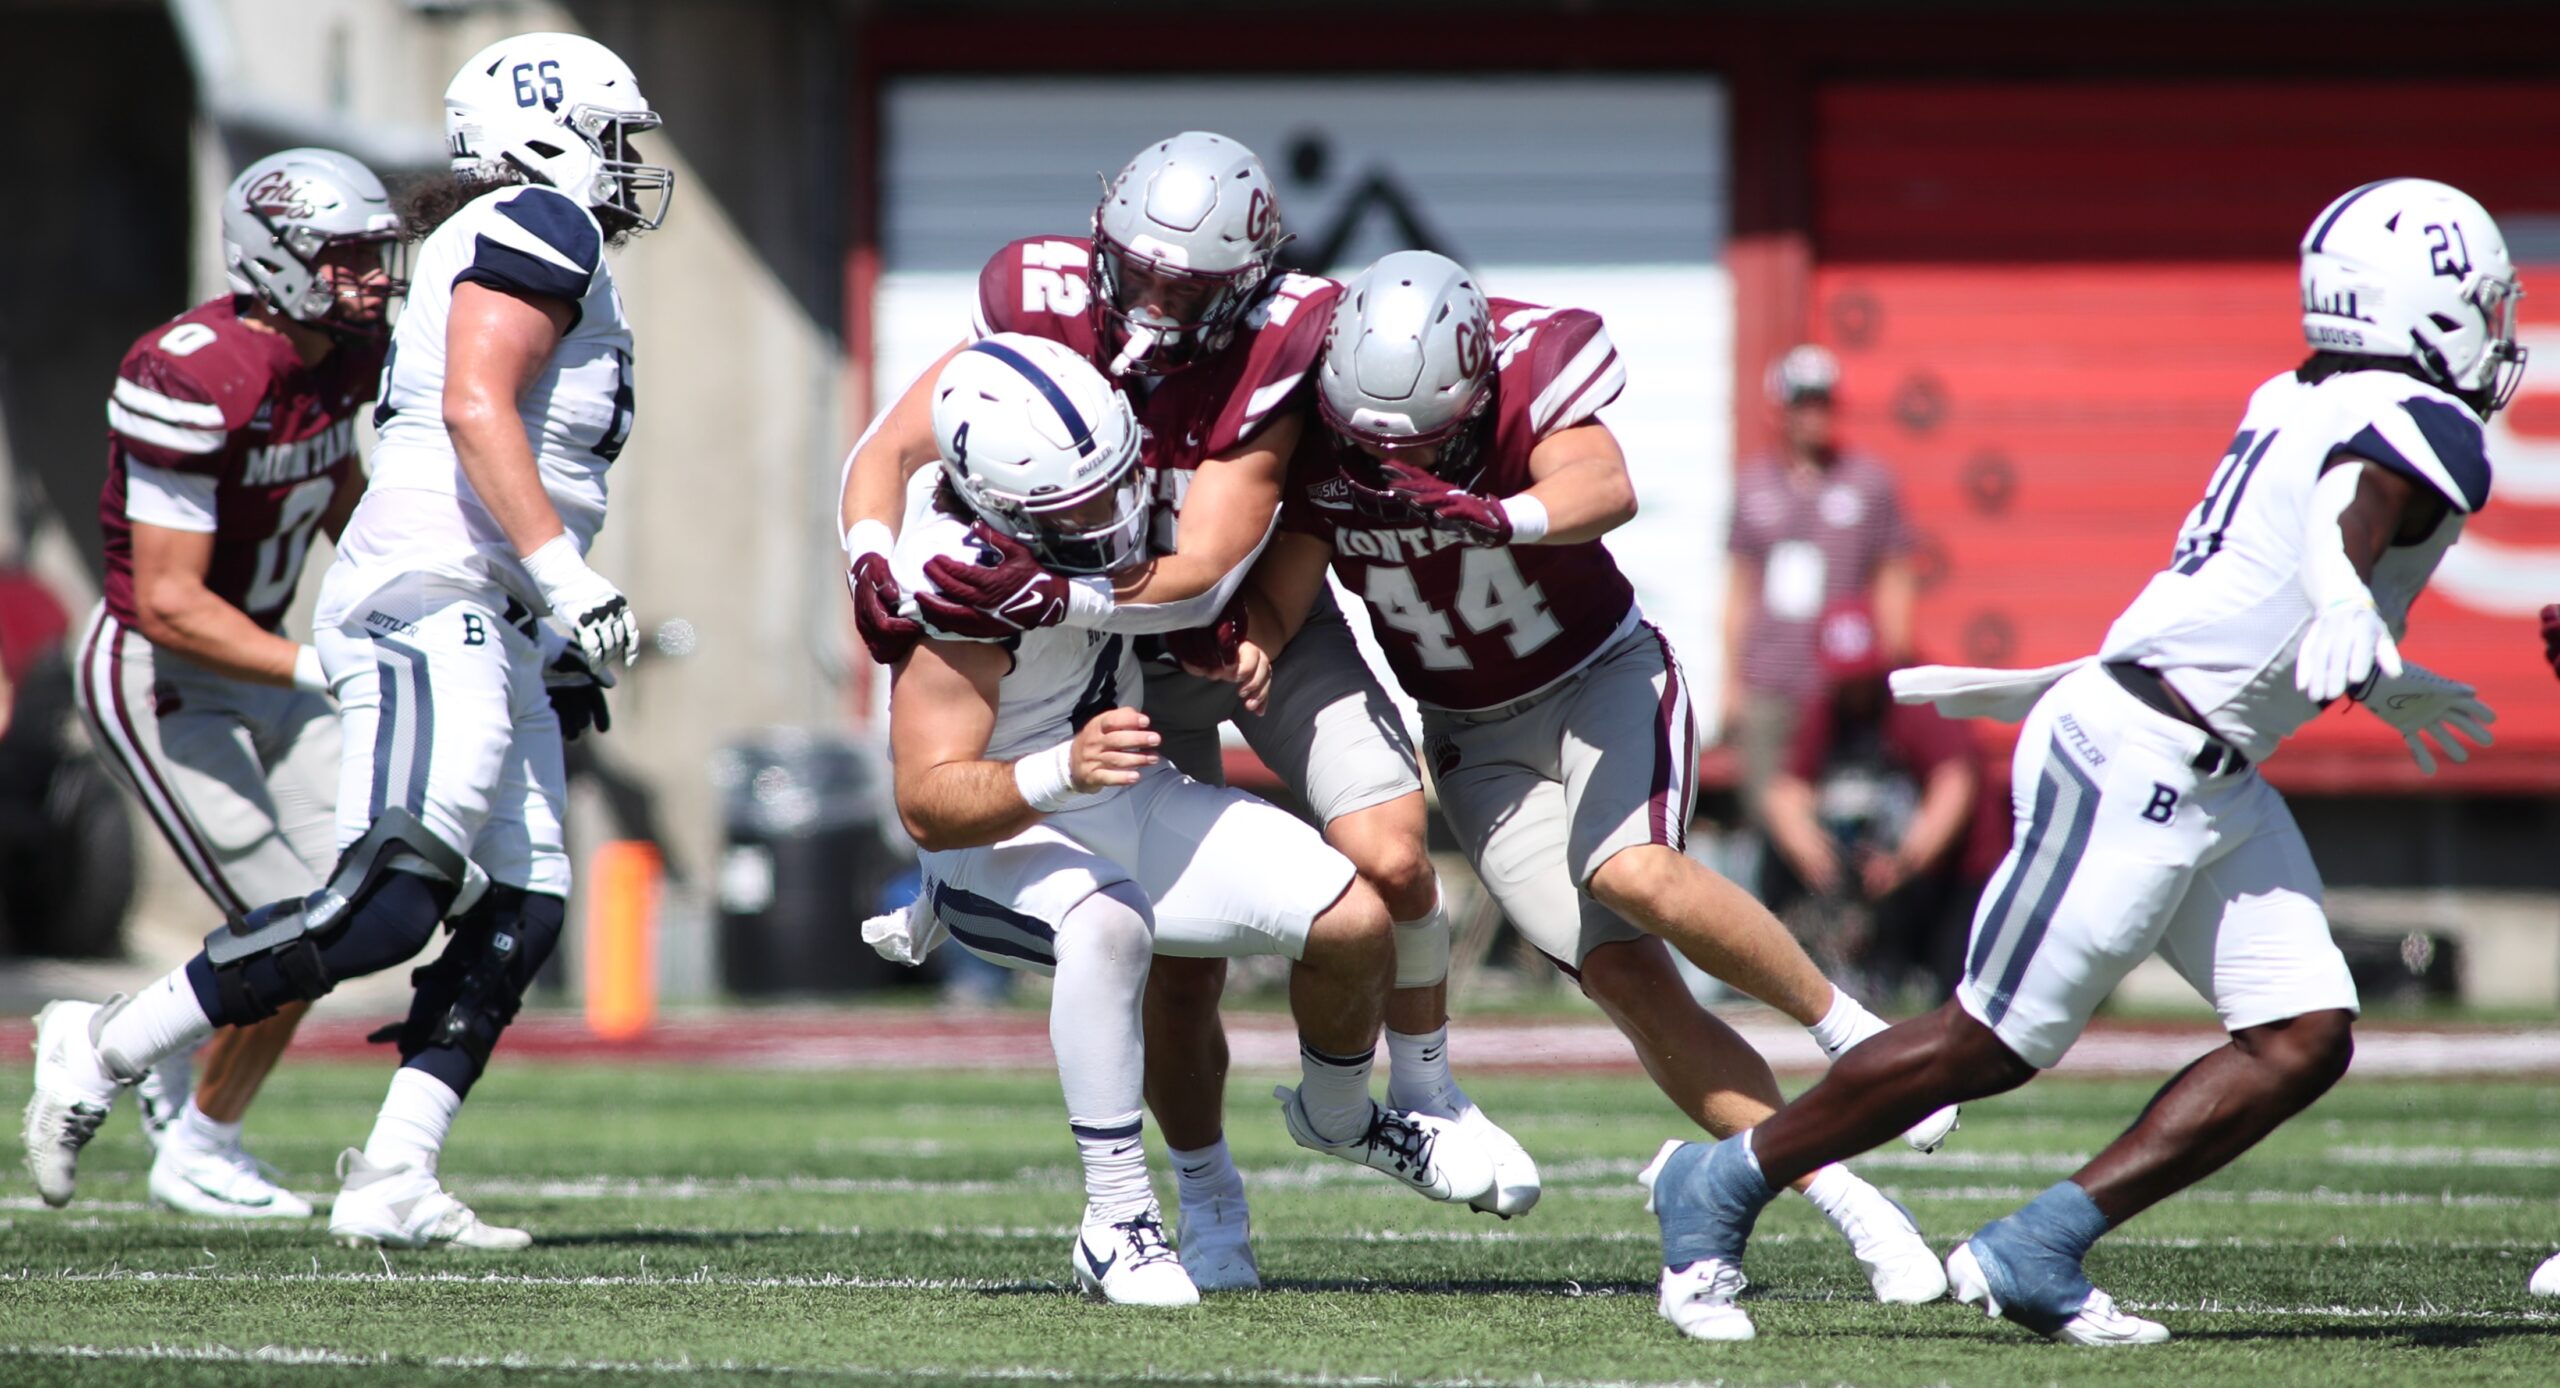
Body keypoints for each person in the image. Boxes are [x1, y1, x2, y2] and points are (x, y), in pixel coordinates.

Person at [1644, 177, 2516, 1345]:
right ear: (2425, 308)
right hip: (2137, 748)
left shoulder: (2302, 387)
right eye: (2482, 302)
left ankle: (2038, 1242)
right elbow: (2343, 507)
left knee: (2301, 1032)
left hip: (2207, 759)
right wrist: (2350, 587)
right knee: (1990, 1039)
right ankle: (1725, 1178)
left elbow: (2283, 559)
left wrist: (2369, 655)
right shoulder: (2424, 421)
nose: (2498, 328)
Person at [836, 132, 1528, 1292]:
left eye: (1126, 477)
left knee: (1372, 889)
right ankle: (1159, 1202)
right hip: (1053, 766)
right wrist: (872, 556)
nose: (1154, 304)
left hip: (1191, 634)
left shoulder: (1234, 387)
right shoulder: (969, 555)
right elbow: (927, 785)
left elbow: (1197, 570)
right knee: (1140, 943)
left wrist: (1071, 587)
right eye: (1140, 272)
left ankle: (1373, 1104)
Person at [23, 31, 664, 1249]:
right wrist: (564, 574)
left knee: (521, 908)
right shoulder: (541, 221)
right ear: (549, 129)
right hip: (434, 594)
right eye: (615, 137)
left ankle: (394, 1171)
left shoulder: (517, 245)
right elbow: (477, 407)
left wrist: (547, 613)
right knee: (384, 903)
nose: (627, 165)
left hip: (486, 601)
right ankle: (103, 1045)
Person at [1240, 250, 1955, 1316]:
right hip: (1473, 737)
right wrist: (1244, 641)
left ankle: (1852, 1030)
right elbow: (1286, 594)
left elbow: (1603, 485)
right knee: (1628, 982)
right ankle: (1854, 1200)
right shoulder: (1323, 435)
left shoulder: (1532, 364)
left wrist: (1499, 513)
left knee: (1634, 870)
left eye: (1424, 433)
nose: (1393, 453)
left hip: (1598, 677)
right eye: (1369, 430)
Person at [67, 147, 402, 1221]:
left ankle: (170, 1067)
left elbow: (336, 484)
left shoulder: (346, 353)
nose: (372, 277)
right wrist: (321, 662)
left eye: (373, 255)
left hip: (263, 652)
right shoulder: (191, 367)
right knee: (289, 922)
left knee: (353, 902)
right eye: (346, 256)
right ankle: (193, 1133)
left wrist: (414, 600)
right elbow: (167, 600)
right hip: (160, 667)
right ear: (277, 256)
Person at [1723, 345, 1917, 838]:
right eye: (1804, 403)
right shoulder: (1753, 484)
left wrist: (1890, 660)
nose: (1815, 414)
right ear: (1780, 410)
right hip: (1769, 678)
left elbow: (1895, 574)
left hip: (1840, 684)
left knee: (1840, 817)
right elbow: (1739, 588)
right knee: (1768, 817)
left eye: (1824, 402)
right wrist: (1730, 683)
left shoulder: (1868, 482)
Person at [1761, 603, 1989, 1002]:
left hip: (1954, 871)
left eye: (1864, 679)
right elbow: (1785, 790)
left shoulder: (1916, 699)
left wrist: (1905, 860)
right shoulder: (1826, 708)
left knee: (1957, 995)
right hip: (1878, 864)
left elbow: (1954, 785)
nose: (1856, 692)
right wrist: (1809, 848)